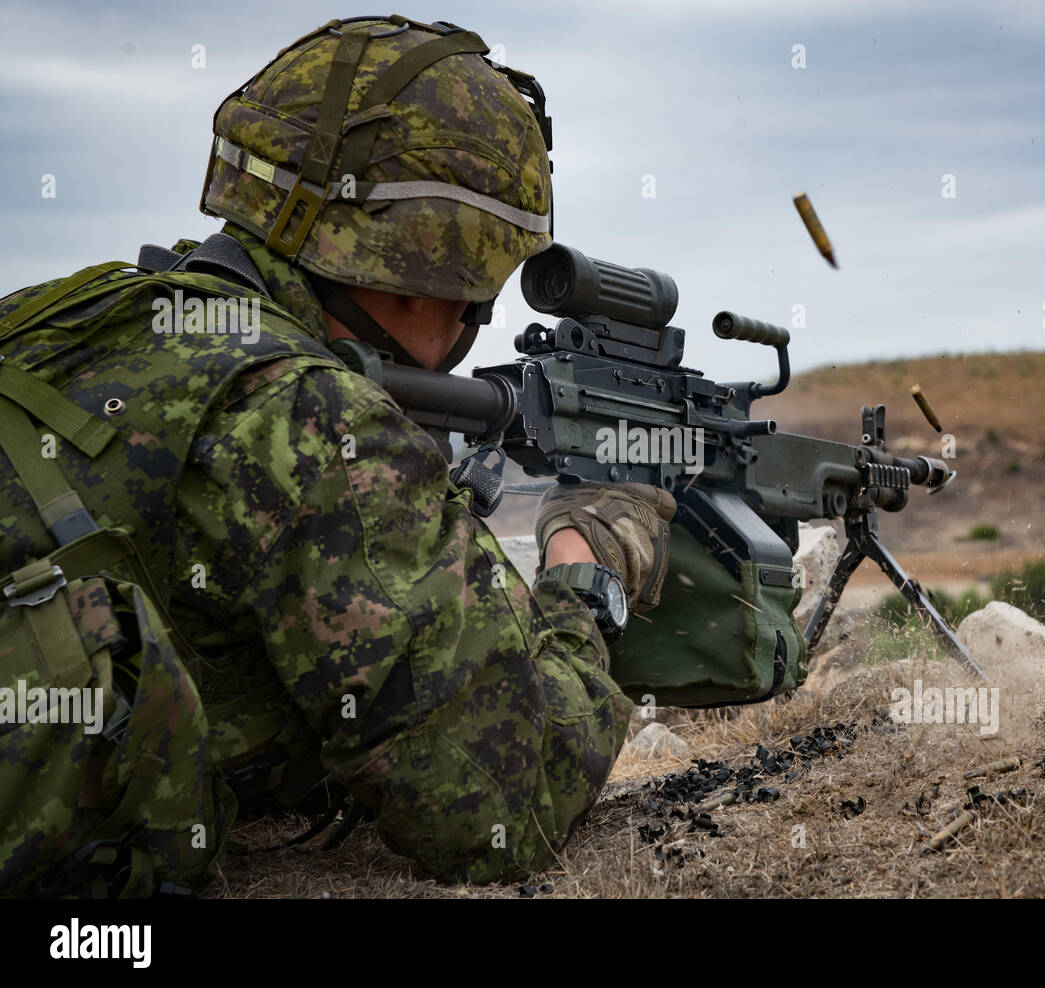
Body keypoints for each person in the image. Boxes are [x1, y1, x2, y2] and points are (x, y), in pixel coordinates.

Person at [0, 15, 674, 896]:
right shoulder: (311, 421)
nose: (475, 321)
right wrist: (584, 569)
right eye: (479, 288)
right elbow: (506, 808)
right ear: (429, 261)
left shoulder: (60, 321)